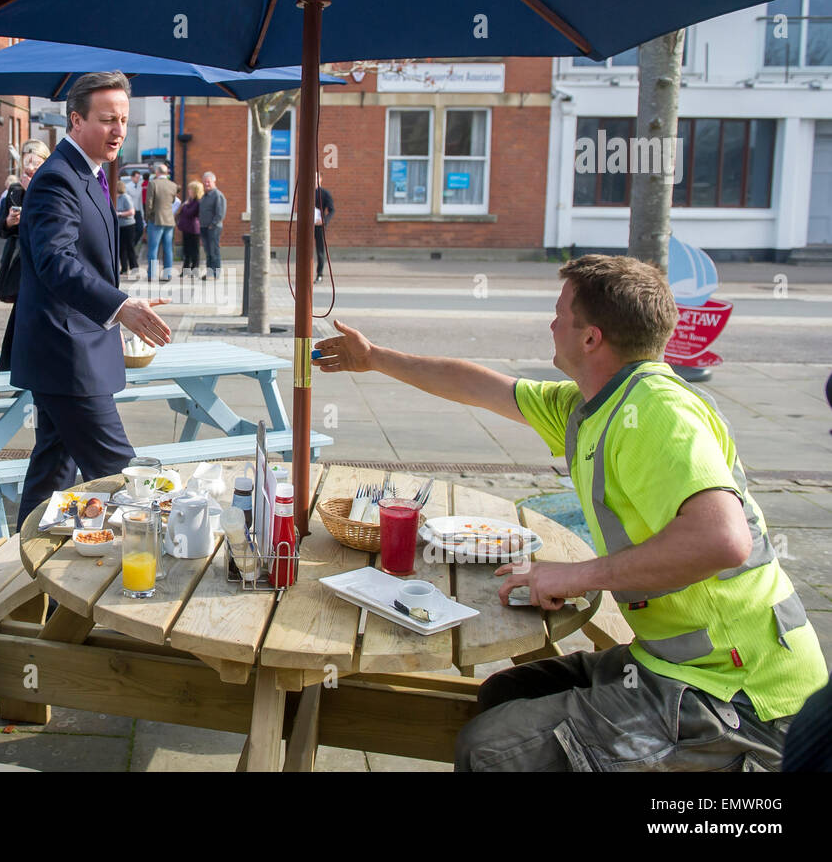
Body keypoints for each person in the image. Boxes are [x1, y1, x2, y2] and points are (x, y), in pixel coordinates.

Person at [313, 253, 827, 772]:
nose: (552, 323)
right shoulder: (591, 404)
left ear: (590, 338)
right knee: (504, 694)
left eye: (561, 312)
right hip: (670, 664)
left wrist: (579, 574)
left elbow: (722, 540)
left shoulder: (656, 412)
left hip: (737, 695)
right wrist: (373, 357)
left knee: (491, 750)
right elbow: (478, 385)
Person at [11, 72, 171, 530]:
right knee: (126, 477)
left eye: (123, 119)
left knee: (51, 478)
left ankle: (27, 575)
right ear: (76, 120)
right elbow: (55, 262)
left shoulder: (89, 172)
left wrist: (120, 302)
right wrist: (120, 307)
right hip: (68, 357)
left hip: (73, 351)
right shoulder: (57, 178)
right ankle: (153, 577)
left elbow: (84, 261)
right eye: (107, 119)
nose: (119, 129)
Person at [0, 140, 49, 370]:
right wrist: (9, 221)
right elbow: (2, 230)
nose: (31, 167)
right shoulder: (15, 191)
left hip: (42, 260)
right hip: (19, 261)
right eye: (27, 161)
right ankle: (18, 365)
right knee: (22, 312)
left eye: (36, 162)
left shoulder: (50, 187)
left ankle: (28, 364)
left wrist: (34, 190)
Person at [144, 162, 177, 282]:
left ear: (157, 172)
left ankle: (152, 275)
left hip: (155, 220)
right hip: (169, 220)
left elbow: (149, 203)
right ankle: (167, 274)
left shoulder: (153, 183)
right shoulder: (173, 185)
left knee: (153, 249)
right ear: (167, 173)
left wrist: (147, 217)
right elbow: (173, 201)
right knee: (168, 248)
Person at [199, 170, 226, 280]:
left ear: (214, 182)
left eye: (208, 182)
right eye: (204, 182)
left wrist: (212, 224)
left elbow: (220, 213)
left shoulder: (217, 195)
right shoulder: (205, 195)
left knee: (214, 251)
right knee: (208, 252)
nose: (206, 184)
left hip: (213, 228)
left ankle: (216, 273)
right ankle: (210, 273)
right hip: (204, 227)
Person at [176, 180, 202, 277]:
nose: (188, 191)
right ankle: (185, 270)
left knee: (194, 251)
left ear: (195, 190)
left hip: (194, 229)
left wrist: (185, 205)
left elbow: (189, 213)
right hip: (186, 228)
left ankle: (194, 270)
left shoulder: (198, 202)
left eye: (190, 189)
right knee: (186, 251)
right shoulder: (189, 201)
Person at [313, 171, 334, 284]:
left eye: (317, 178)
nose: (315, 180)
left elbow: (332, 210)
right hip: (308, 225)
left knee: (320, 250)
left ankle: (319, 274)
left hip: (319, 226)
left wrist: (324, 220)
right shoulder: (307, 192)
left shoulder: (325, 194)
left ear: (321, 179)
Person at [116, 178, 139, 276]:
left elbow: (131, 212)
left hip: (129, 225)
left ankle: (134, 268)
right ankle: (124, 268)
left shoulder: (125, 197)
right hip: (120, 226)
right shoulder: (116, 197)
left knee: (130, 247)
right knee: (121, 248)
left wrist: (119, 214)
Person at [129, 169, 146, 269]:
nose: (138, 179)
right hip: (131, 211)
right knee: (132, 231)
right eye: (136, 177)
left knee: (140, 230)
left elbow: (140, 200)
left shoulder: (140, 187)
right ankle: (130, 248)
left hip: (138, 211)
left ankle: (132, 245)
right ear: (132, 177)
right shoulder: (127, 186)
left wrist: (143, 213)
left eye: (139, 177)